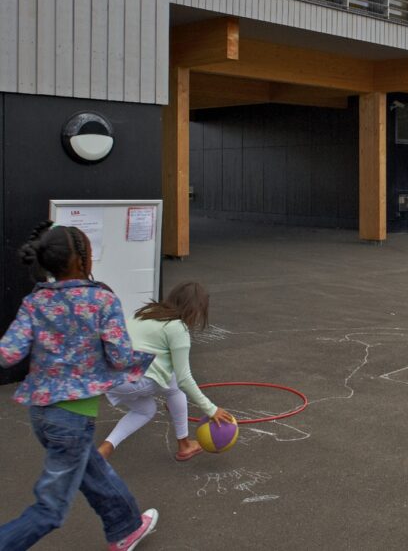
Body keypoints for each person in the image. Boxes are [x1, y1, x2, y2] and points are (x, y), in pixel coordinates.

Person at [0, 221, 159, 551]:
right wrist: (144, 359)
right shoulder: (102, 300)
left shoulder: (35, 301)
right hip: (72, 418)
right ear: (83, 260)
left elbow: (8, 353)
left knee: (91, 468)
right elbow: (119, 356)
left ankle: (126, 527)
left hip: (41, 414)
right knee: (50, 510)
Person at [100, 281, 235, 463]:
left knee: (146, 410)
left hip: (107, 376)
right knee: (175, 384)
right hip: (131, 378)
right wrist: (211, 409)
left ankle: (106, 447)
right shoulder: (177, 327)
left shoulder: (147, 311)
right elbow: (184, 378)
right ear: (194, 309)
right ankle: (184, 445)